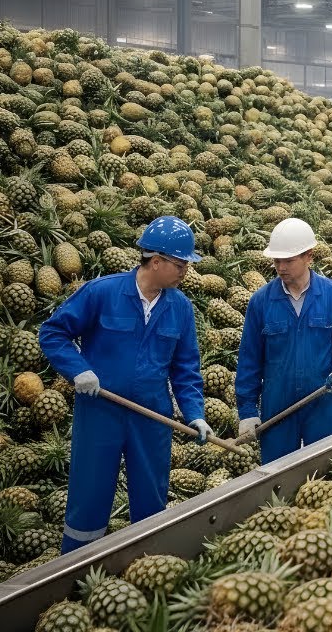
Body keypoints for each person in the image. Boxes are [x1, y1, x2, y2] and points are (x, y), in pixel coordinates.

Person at [39, 216, 210, 553]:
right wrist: (78, 370)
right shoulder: (102, 292)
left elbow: (186, 369)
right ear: (156, 261)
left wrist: (195, 413)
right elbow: (53, 332)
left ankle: (147, 562)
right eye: (180, 264)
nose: (185, 271)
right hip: (100, 410)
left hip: (150, 414)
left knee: (151, 494)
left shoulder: (181, 308)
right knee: (90, 491)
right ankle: (75, 567)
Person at [235, 218, 332, 464]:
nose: (281, 267)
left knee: (329, 472)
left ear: (308, 256)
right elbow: (249, 360)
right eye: (276, 260)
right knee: (277, 477)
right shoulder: (260, 302)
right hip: (278, 409)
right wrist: (248, 411)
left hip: (323, 402)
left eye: (288, 260)